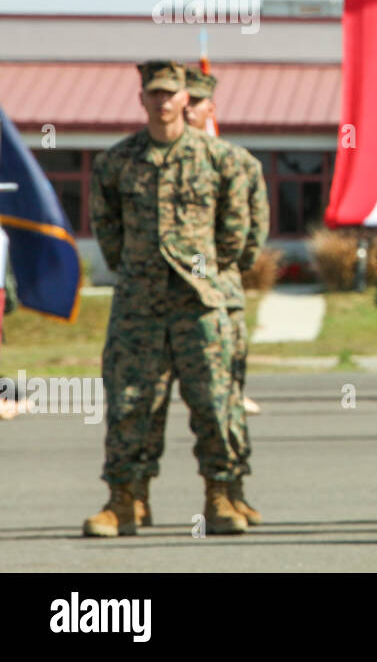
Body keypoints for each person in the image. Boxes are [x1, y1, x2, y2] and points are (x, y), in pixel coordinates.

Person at [84, 61, 252, 537]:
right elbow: (107, 231)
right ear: (142, 99)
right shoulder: (117, 162)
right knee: (130, 404)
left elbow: (234, 232)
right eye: (153, 93)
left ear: (186, 99)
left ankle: (219, 497)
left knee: (213, 404)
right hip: (139, 305)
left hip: (198, 304)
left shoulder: (220, 160)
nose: (162, 102)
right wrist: (138, 271)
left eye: (170, 93)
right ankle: (123, 499)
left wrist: (205, 273)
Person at [128, 67, 269, 529]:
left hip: (215, 295)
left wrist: (219, 269)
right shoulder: (130, 159)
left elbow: (247, 234)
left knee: (221, 399)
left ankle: (230, 488)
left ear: (209, 106)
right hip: (152, 296)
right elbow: (113, 232)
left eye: (193, 102)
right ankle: (132, 494)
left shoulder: (233, 161)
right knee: (140, 399)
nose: (184, 110)